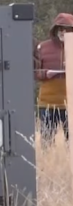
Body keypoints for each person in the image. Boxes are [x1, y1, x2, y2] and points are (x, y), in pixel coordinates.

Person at [33, 13, 73, 144]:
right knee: (47, 142)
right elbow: (34, 72)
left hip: (70, 104)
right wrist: (45, 74)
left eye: (67, 28)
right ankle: (48, 163)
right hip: (48, 103)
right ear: (55, 30)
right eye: (60, 28)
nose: (63, 31)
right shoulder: (42, 47)